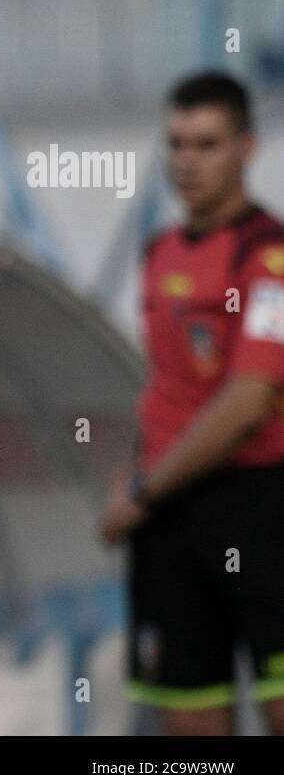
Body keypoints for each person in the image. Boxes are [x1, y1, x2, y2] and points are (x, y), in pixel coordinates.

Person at [100, 71, 284, 735]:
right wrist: (137, 470)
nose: (188, 160)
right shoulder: (160, 252)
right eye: (176, 143)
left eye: (207, 143)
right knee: (190, 739)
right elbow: (170, 389)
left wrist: (144, 490)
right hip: (174, 523)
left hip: (261, 511)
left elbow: (246, 403)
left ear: (246, 147)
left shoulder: (269, 256)